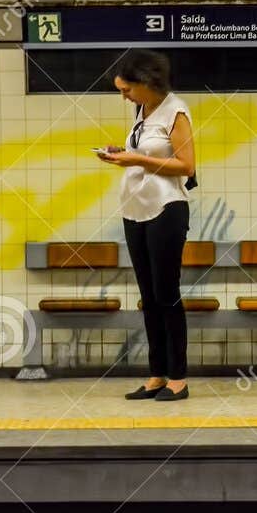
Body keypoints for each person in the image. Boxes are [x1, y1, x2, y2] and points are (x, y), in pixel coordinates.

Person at [96, 50, 196, 401]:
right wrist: (120, 153)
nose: (124, 97)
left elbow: (186, 165)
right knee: (149, 298)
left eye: (127, 90)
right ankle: (156, 375)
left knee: (167, 296)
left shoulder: (176, 111)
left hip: (166, 209)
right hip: (134, 211)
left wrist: (135, 158)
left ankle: (178, 379)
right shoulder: (142, 112)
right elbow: (142, 156)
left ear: (147, 83)